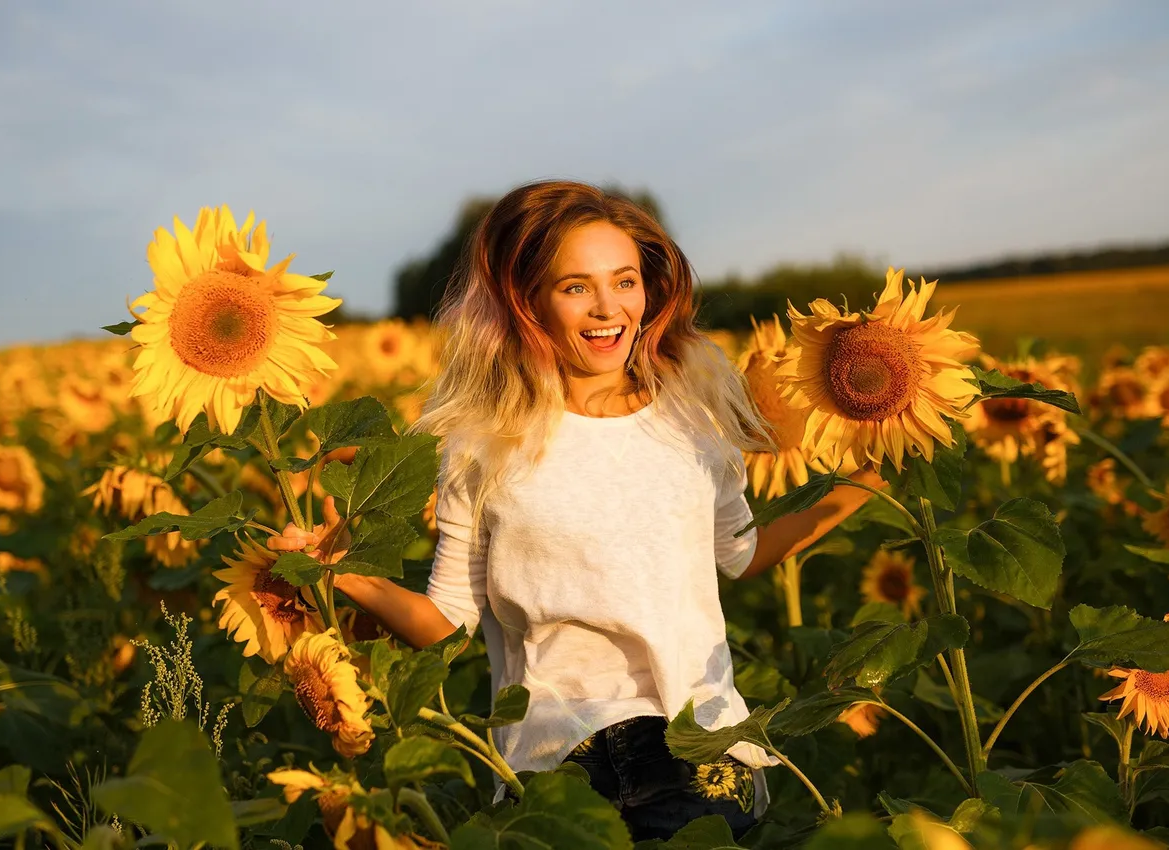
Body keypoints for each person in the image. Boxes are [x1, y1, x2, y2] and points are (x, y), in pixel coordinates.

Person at [271, 180, 885, 842]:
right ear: (526, 301)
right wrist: (338, 572)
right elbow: (446, 621)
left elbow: (738, 552)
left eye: (625, 281)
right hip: (552, 759)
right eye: (575, 287)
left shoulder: (693, 414)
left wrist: (868, 484)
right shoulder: (481, 442)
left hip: (695, 743)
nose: (608, 307)